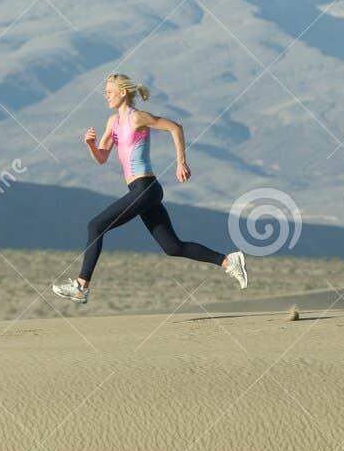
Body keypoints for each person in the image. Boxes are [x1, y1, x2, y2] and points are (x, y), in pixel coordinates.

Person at [51, 73, 248, 305]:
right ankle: (228, 261)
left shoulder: (138, 118)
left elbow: (175, 128)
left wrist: (181, 162)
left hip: (146, 188)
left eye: (109, 92)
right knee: (173, 247)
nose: (106, 96)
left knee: (95, 226)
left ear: (123, 92)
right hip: (140, 191)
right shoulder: (112, 122)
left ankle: (81, 286)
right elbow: (102, 157)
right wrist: (91, 146)